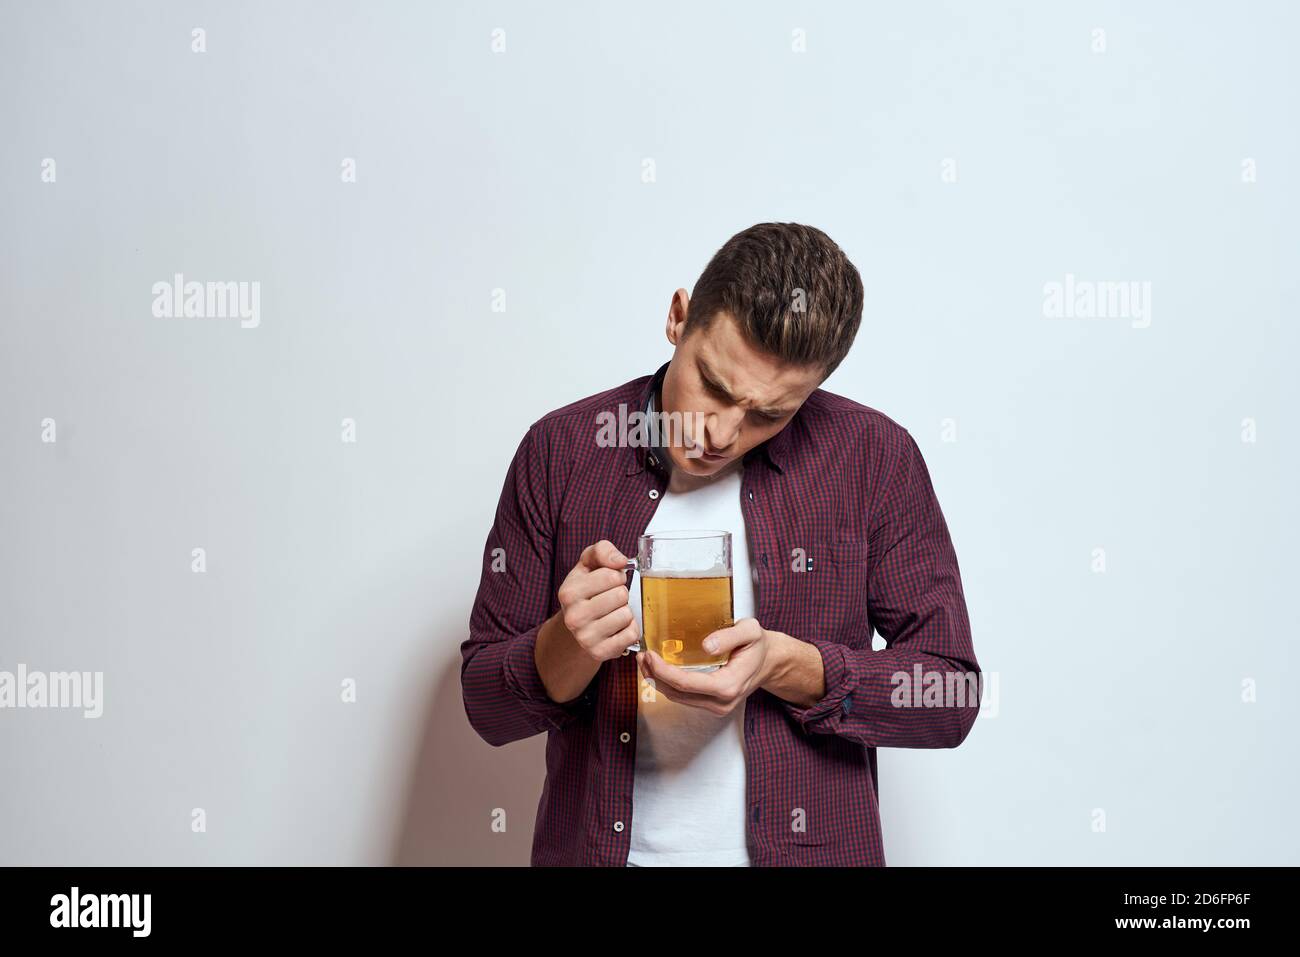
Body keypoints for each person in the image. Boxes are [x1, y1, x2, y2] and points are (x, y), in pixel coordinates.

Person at [461, 222, 980, 866]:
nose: (722, 433)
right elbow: (485, 705)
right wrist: (567, 642)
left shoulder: (873, 458)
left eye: (770, 414)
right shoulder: (563, 450)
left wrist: (786, 666)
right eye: (712, 384)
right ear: (679, 317)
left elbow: (950, 697)